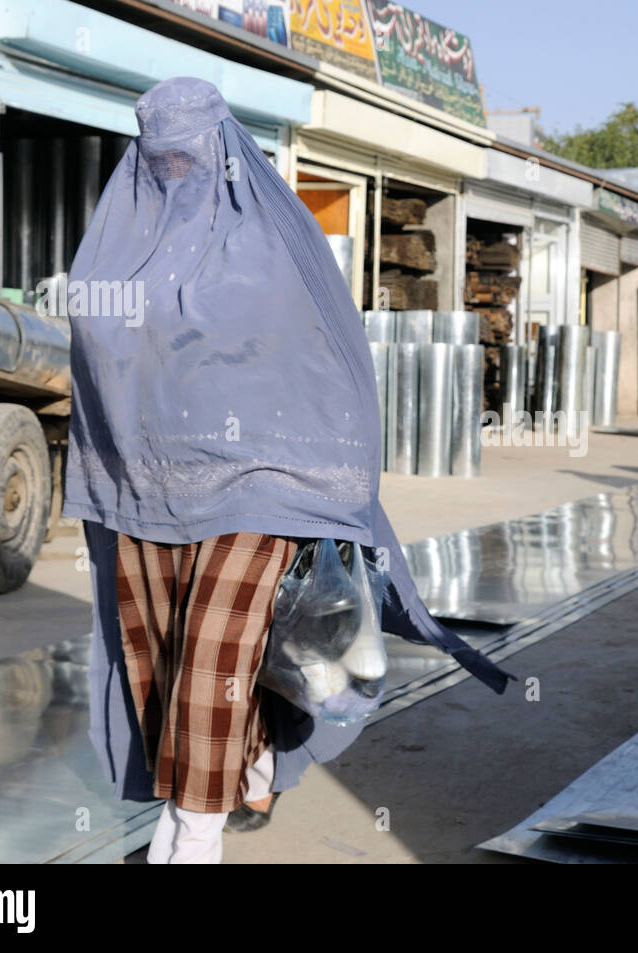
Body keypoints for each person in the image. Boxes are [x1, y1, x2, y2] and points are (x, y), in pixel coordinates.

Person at [67, 77, 511, 864]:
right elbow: (103, 358)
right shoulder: (117, 248)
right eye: (157, 156)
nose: (175, 171)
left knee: (210, 663)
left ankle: (190, 839)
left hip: (265, 489)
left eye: (190, 153)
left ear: (226, 148)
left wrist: (335, 481)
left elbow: (323, 357)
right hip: (146, 491)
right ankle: (253, 764)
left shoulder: (272, 239)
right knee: (166, 669)